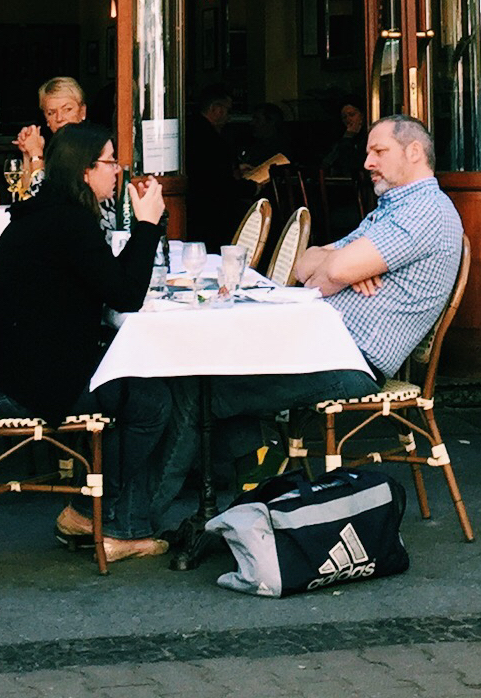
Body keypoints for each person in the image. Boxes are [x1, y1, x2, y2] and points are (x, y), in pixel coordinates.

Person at [145, 115, 462, 519]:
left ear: (414, 152)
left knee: (198, 390)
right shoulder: (392, 209)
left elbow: (333, 274)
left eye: (379, 152)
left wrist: (343, 268)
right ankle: (255, 468)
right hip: (320, 347)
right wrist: (341, 263)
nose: (367, 163)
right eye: (368, 152)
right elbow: (304, 265)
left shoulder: (424, 211)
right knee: (197, 370)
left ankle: (135, 522)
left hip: (349, 361)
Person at [0, 121, 175, 563]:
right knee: (153, 401)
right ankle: (116, 525)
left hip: (15, 368)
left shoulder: (48, 214)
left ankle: (90, 513)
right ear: (85, 171)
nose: (118, 171)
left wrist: (145, 228)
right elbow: (125, 294)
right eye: (109, 162)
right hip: (33, 382)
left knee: (140, 389)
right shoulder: (70, 224)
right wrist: (146, 225)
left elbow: (109, 283)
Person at [185, 84, 250, 247]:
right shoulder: (211, 140)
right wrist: (250, 187)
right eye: (227, 111)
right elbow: (220, 183)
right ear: (216, 109)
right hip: (210, 214)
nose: (228, 117)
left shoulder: (189, 129)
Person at [12, 75, 86, 173]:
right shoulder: (51, 150)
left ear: (82, 112)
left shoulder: (95, 150)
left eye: (67, 109)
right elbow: (28, 187)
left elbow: (41, 188)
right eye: (51, 113)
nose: (59, 118)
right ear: (46, 119)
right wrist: (27, 153)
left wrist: (35, 154)